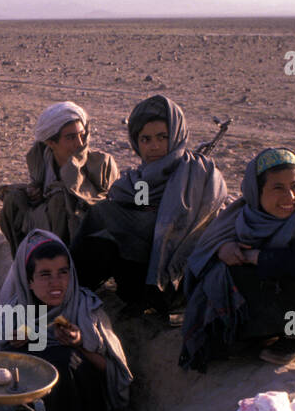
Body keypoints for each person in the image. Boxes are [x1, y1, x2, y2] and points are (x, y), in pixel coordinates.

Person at [179, 147, 295, 370]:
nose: (290, 197)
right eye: (278, 188)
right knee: (223, 274)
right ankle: (250, 337)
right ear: (256, 192)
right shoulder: (241, 216)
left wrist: (254, 256)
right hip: (264, 304)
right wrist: (222, 249)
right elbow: (201, 256)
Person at [71, 94, 228, 313]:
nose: (154, 146)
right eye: (146, 139)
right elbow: (137, 211)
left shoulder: (200, 174)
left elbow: (213, 221)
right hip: (137, 279)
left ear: (175, 135)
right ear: (136, 142)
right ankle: (67, 294)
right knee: (100, 229)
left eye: (162, 137)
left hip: (184, 279)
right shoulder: (138, 181)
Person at [0, 229, 133, 411]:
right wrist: (18, 345)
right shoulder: (15, 312)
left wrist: (81, 346)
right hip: (35, 409)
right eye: (45, 275)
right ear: (29, 281)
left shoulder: (87, 311)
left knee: (62, 358)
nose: (56, 283)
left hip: (82, 406)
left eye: (63, 273)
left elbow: (115, 372)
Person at [0, 101, 119, 257]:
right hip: (46, 218)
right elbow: (40, 185)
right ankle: (23, 260)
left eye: (82, 135)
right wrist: (35, 191)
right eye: (70, 138)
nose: (80, 143)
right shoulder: (41, 159)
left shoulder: (101, 163)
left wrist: (69, 189)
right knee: (12, 198)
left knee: (59, 200)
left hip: (85, 227)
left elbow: (112, 205)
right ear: (50, 142)